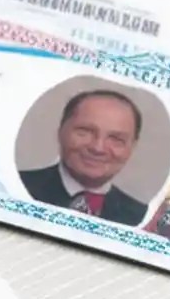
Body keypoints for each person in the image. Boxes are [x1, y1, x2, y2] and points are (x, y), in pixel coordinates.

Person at [20, 89, 149, 226]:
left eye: (116, 139)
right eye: (85, 131)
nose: (98, 148)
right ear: (60, 131)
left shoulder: (140, 218)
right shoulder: (17, 186)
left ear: (132, 147)